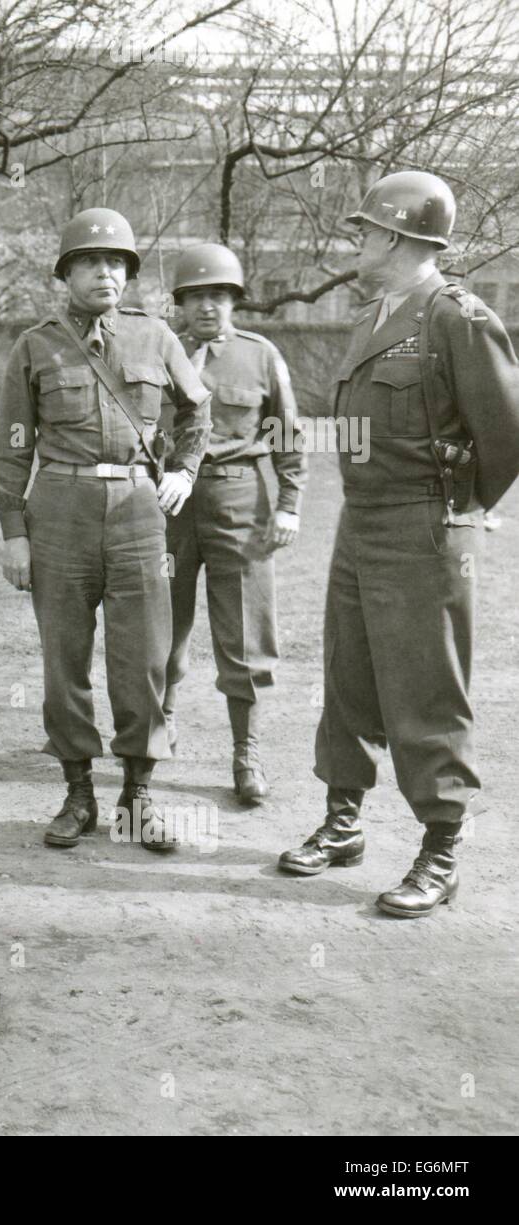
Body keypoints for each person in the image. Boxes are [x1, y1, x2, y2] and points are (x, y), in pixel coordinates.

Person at [277, 170, 519, 917]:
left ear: (394, 235)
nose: (355, 242)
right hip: (360, 520)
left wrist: (456, 509)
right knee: (348, 675)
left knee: (426, 686)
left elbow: (505, 437)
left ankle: (441, 850)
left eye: (363, 231)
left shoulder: (458, 316)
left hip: (424, 525)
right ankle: (342, 822)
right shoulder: (371, 315)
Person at [0, 208, 211, 853]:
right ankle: (77, 791)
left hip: (140, 511)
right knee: (64, 659)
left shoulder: (156, 337)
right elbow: (11, 448)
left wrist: (187, 472)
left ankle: (138, 796)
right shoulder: (36, 345)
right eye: (91, 262)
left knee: (144, 658)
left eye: (117, 263)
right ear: (67, 274)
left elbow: (197, 412)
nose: (106, 273)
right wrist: (13, 532)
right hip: (59, 507)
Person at [161, 243, 307, 804]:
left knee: (245, 634)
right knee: (160, 626)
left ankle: (246, 754)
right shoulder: (157, 350)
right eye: (197, 296)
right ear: (181, 302)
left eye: (219, 295)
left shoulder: (261, 355)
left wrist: (289, 502)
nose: (208, 307)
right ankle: (159, 725)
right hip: (169, 504)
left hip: (239, 501)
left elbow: (285, 435)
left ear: (234, 301)